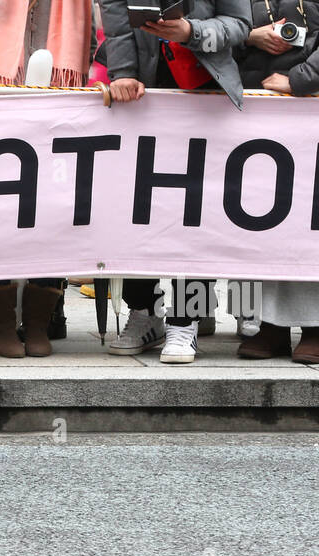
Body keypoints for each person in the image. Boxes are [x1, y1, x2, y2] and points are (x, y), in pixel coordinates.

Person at [100, 0, 249, 364]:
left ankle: (188, 319)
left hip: (206, 94)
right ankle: (143, 311)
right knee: (138, 208)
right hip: (142, 96)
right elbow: (116, 18)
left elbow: (241, 24)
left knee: (197, 213)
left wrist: (192, 32)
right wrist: (122, 72)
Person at [233, 0, 319, 365]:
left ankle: (316, 328)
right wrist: (249, 36)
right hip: (256, 96)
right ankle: (270, 325)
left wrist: (300, 79)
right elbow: (218, 20)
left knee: (315, 213)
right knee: (261, 212)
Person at [0, 0, 91, 358]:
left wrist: (76, 88)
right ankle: (1, 324)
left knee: (52, 213)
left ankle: (38, 322)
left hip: (61, 108)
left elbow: (95, 36)